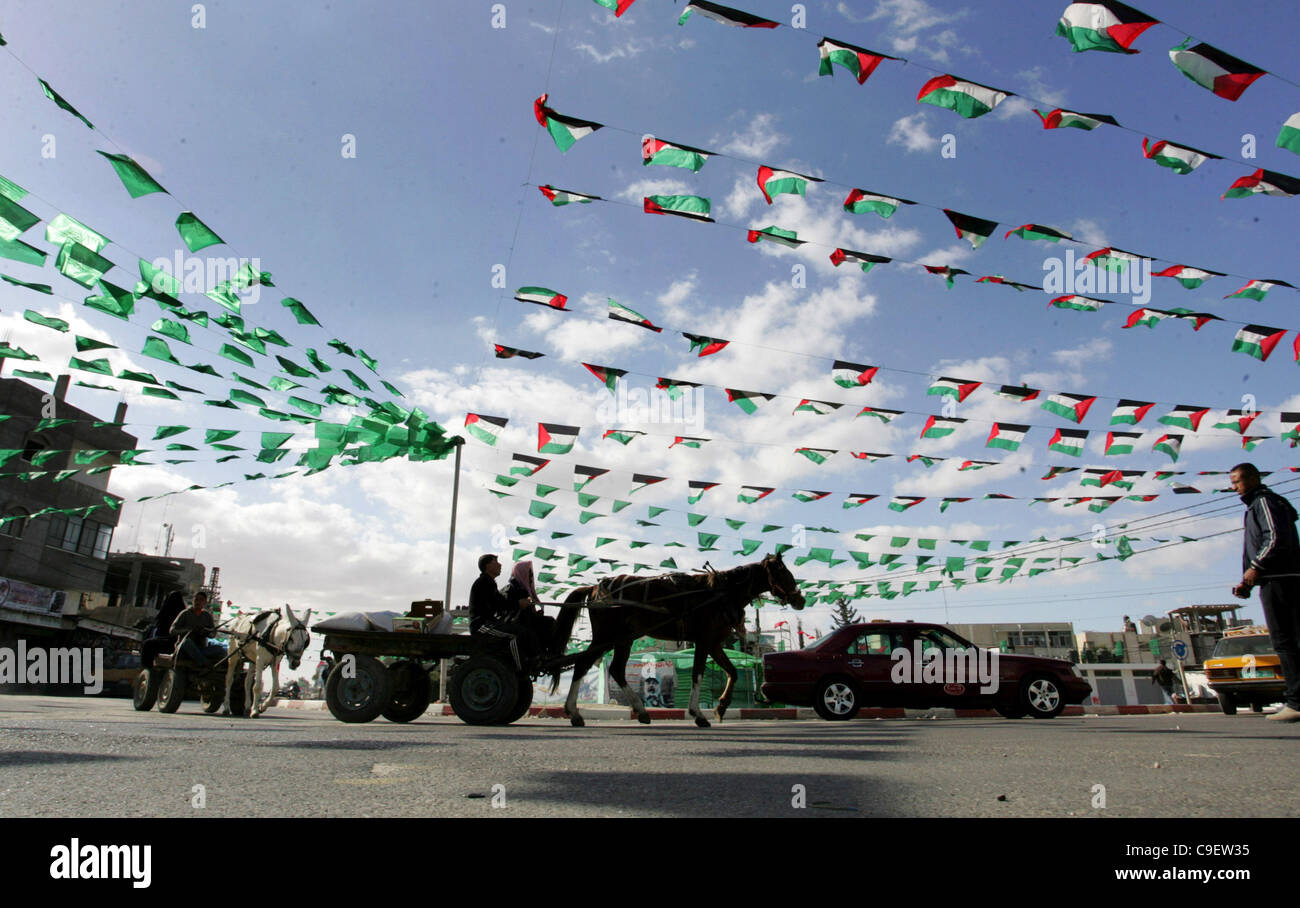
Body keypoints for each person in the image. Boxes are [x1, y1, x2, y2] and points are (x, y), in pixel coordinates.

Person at [1229, 462, 1300, 722]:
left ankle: (1296, 701)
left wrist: (1255, 568)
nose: (1233, 486)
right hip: (1275, 578)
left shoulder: (1264, 502)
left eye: (1238, 481)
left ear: (1254, 479)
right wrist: (1247, 582)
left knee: (1285, 641)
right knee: (1290, 640)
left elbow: (1275, 538)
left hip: (1279, 579)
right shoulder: (1257, 505)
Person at [468, 553, 537, 669]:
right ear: (488, 566)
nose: (500, 565)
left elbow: (501, 603)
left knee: (521, 631)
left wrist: (519, 603)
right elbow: (500, 604)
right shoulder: (484, 582)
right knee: (517, 634)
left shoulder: (489, 582)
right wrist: (519, 604)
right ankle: (520, 668)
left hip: (489, 623)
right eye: (496, 562)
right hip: (482, 625)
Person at [503, 560, 557, 655]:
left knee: (549, 622)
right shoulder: (512, 589)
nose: (531, 577)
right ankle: (542, 655)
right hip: (516, 624)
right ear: (522, 573)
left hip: (525, 621)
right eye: (529, 574)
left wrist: (535, 614)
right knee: (546, 624)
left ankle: (548, 653)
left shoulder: (521, 588)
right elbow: (512, 611)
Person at [169, 591, 225, 670]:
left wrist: (205, 632)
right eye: (196, 600)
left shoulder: (207, 616)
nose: (198, 602)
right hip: (185, 649)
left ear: (205, 602)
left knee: (221, 649)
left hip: (200, 649)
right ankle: (204, 663)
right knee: (187, 642)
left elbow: (213, 633)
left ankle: (201, 658)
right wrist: (188, 630)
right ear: (193, 601)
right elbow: (172, 631)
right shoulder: (185, 613)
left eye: (201, 600)